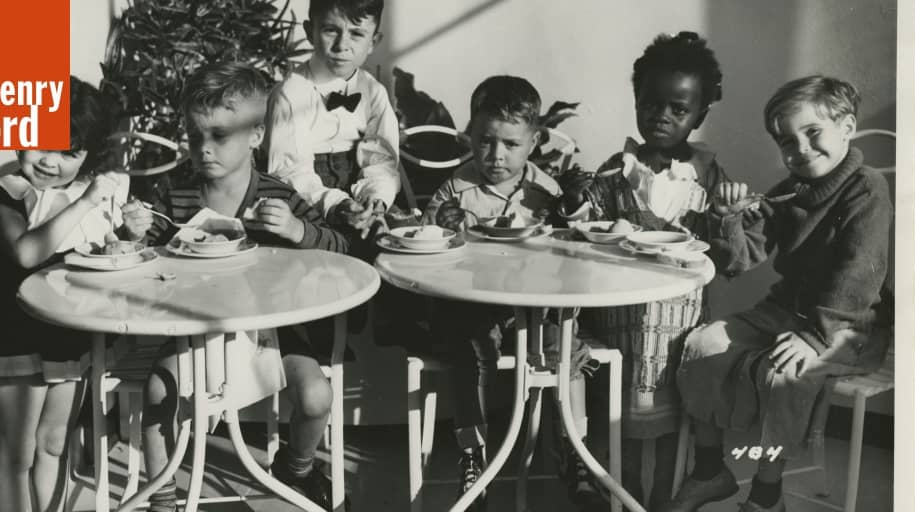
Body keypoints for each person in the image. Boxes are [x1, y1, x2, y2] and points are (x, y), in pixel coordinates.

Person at [121, 61, 355, 512]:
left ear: (256, 136)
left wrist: (295, 231)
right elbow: (146, 253)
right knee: (158, 391)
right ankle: (163, 498)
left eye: (220, 136)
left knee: (315, 395)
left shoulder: (278, 197)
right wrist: (135, 233)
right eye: (195, 136)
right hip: (196, 329)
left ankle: (296, 469)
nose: (204, 149)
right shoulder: (178, 195)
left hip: (274, 330)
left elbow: (339, 247)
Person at [662, 76, 893, 512]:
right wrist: (729, 219)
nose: (801, 150)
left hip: (849, 326)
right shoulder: (791, 190)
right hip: (786, 312)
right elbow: (739, 261)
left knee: (784, 372)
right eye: (787, 141)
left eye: (813, 133)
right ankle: (710, 470)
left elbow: (859, 274)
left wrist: (816, 335)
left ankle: (767, 497)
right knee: (700, 343)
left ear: (846, 126)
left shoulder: (868, 188)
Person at [557, 31, 731, 510]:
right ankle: (623, 499)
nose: (663, 116)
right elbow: (585, 222)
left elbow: (728, 246)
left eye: (679, 109)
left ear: (700, 114)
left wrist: (731, 214)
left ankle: (662, 502)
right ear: (636, 100)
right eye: (652, 104)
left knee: (672, 426)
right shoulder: (618, 168)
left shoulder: (709, 176)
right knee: (621, 426)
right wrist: (575, 198)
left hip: (679, 325)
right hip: (622, 323)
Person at [426, 75, 596, 511]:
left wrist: (573, 204)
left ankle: (575, 448)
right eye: (484, 141)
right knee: (467, 350)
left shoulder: (547, 189)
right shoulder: (454, 188)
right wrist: (442, 227)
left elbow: (575, 248)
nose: (496, 156)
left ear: (534, 140)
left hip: (537, 308)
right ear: (469, 134)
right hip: (474, 304)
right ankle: (472, 452)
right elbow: (427, 248)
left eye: (510, 144)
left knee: (567, 349)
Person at [0, 76, 125, 512]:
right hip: (13, 334)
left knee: (54, 443)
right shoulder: (2, 193)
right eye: (41, 143)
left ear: (87, 156)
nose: (51, 162)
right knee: (16, 453)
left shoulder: (80, 195)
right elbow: (25, 253)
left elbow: (96, 255)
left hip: (66, 334)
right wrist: (83, 205)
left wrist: (126, 231)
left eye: (69, 152)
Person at [264, 0, 399, 237]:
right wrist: (338, 205)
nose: (341, 46)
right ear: (310, 32)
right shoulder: (291, 93)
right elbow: (291, 173)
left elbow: (381, 162)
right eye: (330, 30)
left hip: (361, 196)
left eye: (356, 34)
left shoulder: (374, 91)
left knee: (398, 247)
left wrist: (376, 201)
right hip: (307, 199)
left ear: (373, 42)